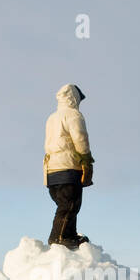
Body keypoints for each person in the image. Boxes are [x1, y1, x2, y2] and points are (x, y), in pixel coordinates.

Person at [43, 83, 94, 248]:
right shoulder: (73, 115)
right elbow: (80, 138)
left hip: (51, 170)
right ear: (74, 98)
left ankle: (69, 234)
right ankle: (59, 237)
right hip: (68, 166)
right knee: (70, 204)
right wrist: (86, 160)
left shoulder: (52, 117)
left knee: (66, 203)